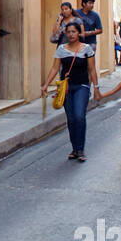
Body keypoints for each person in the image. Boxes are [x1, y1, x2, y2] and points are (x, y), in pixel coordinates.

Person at [39, 19, 100, 162]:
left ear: (79, 33)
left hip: (82, 86)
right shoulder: (61, 49)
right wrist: (46, 85)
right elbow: (55, 68)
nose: (71, 34)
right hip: (65, 88)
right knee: (71, 119)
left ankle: (80, 149)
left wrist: (96, 88)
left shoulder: (86, 49)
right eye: (69, 32)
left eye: (74, 31)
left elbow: (92, 69)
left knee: (79, 116)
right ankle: (75, 148)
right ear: (65, 34)